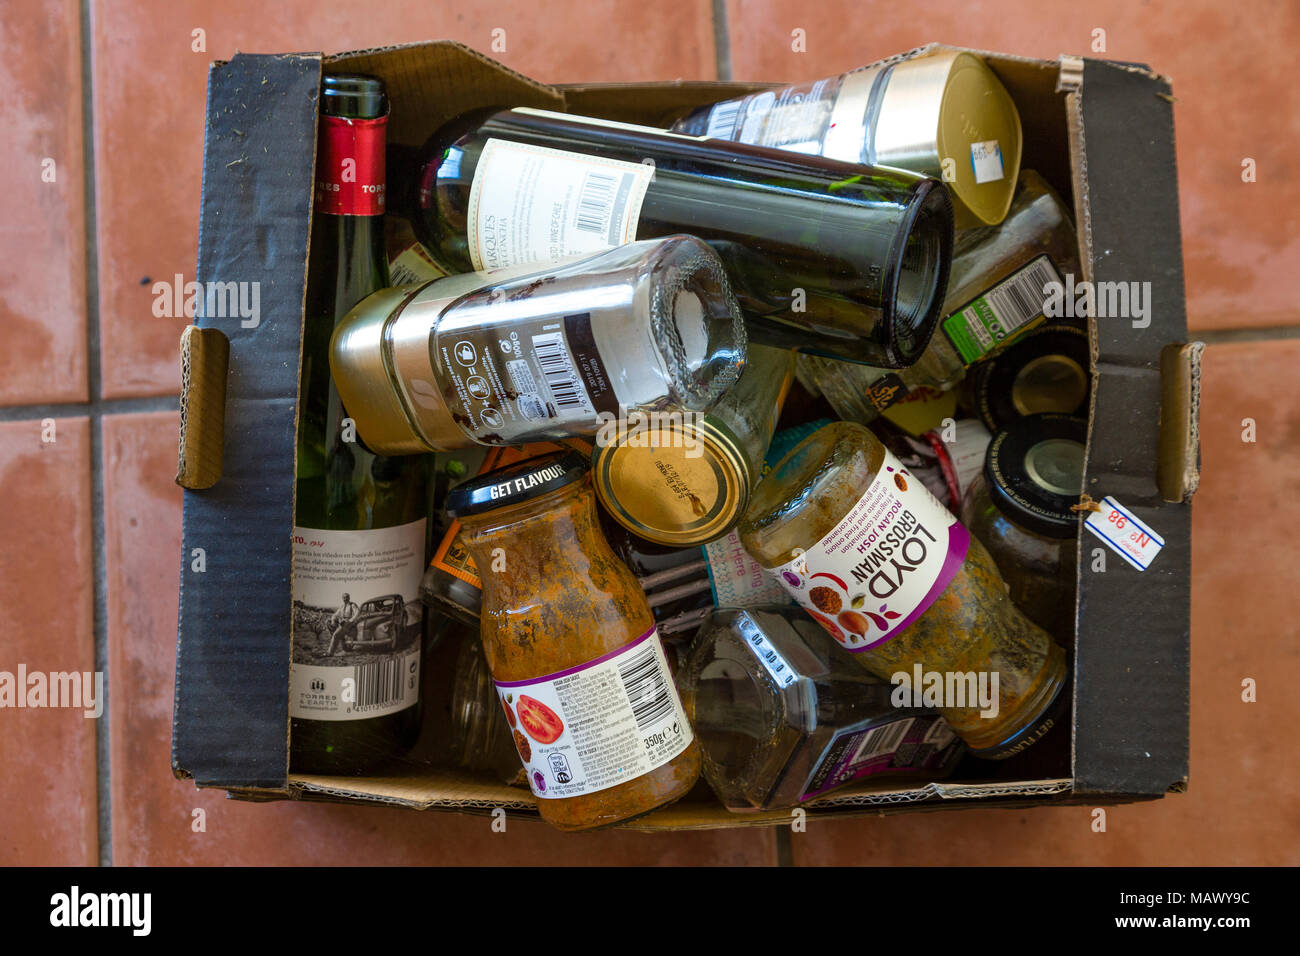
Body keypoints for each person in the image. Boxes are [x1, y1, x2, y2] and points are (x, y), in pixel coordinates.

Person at [326, 592, 361, 656]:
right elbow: (335, 614)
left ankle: (330, 653)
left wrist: (350, 620)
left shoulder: (352, 605)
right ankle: (344, 646)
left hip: (349, 624)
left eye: (347, 597)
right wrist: (333, 620)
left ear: (349, 598)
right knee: (328, 622)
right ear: (342, 598)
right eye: (344, 597)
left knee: (336, 635)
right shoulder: (342, 606)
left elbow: (357, 613)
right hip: (342, 623)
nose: (345, 599)